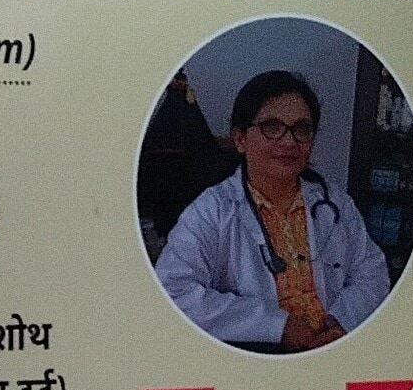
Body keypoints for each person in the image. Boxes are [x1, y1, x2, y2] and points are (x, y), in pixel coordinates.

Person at [153, 70, 393, 352]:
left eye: (302, 129)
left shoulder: (334, 203)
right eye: (272, 126)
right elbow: (173, 291)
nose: (289, 141)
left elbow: (372, 271)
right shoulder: (211, 211)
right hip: (255, 354)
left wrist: (342, 322)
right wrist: (275, 326)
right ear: (240, 139)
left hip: (334, 345)